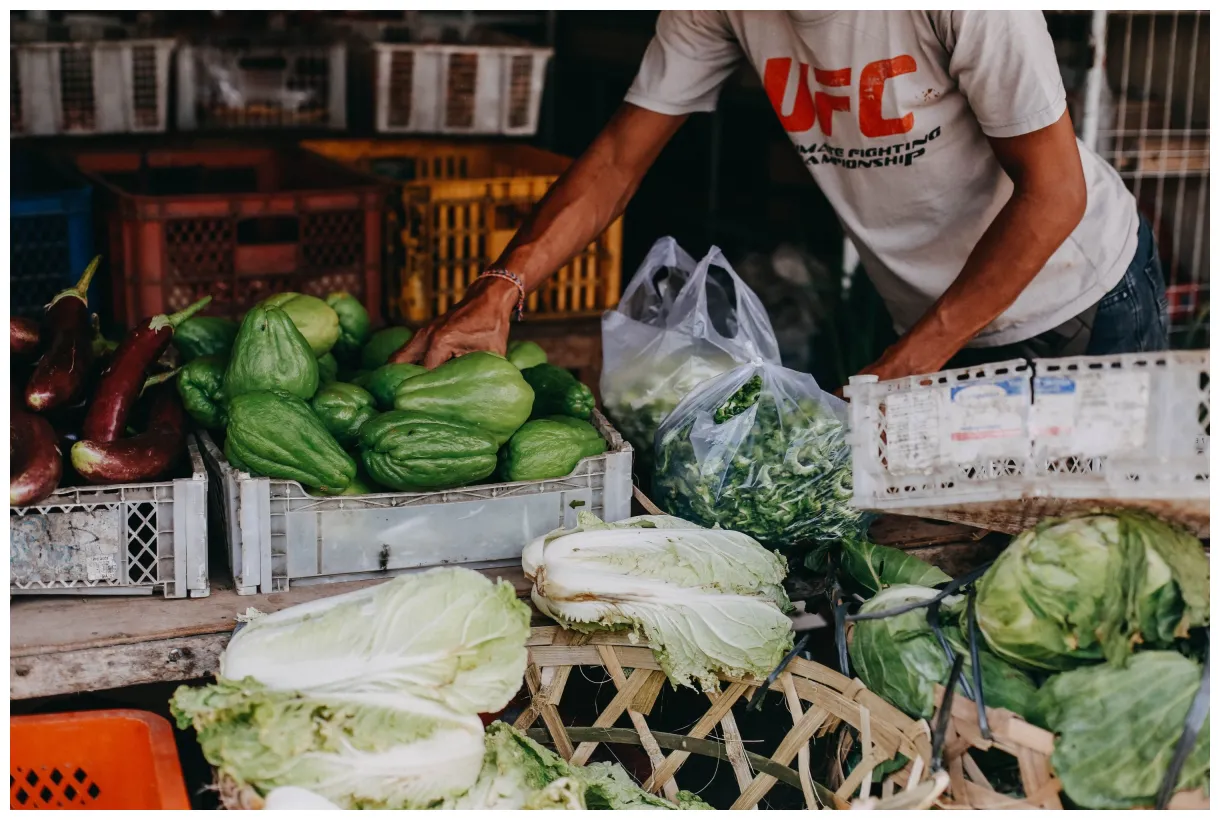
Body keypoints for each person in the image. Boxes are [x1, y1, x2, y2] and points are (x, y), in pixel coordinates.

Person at [394, 11, 1168, 380]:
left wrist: (918, 353)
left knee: (1086, 576)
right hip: (933, 325)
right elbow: (618, 160)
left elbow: (1055, 191)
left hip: (1082, 302)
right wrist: (502, 286)